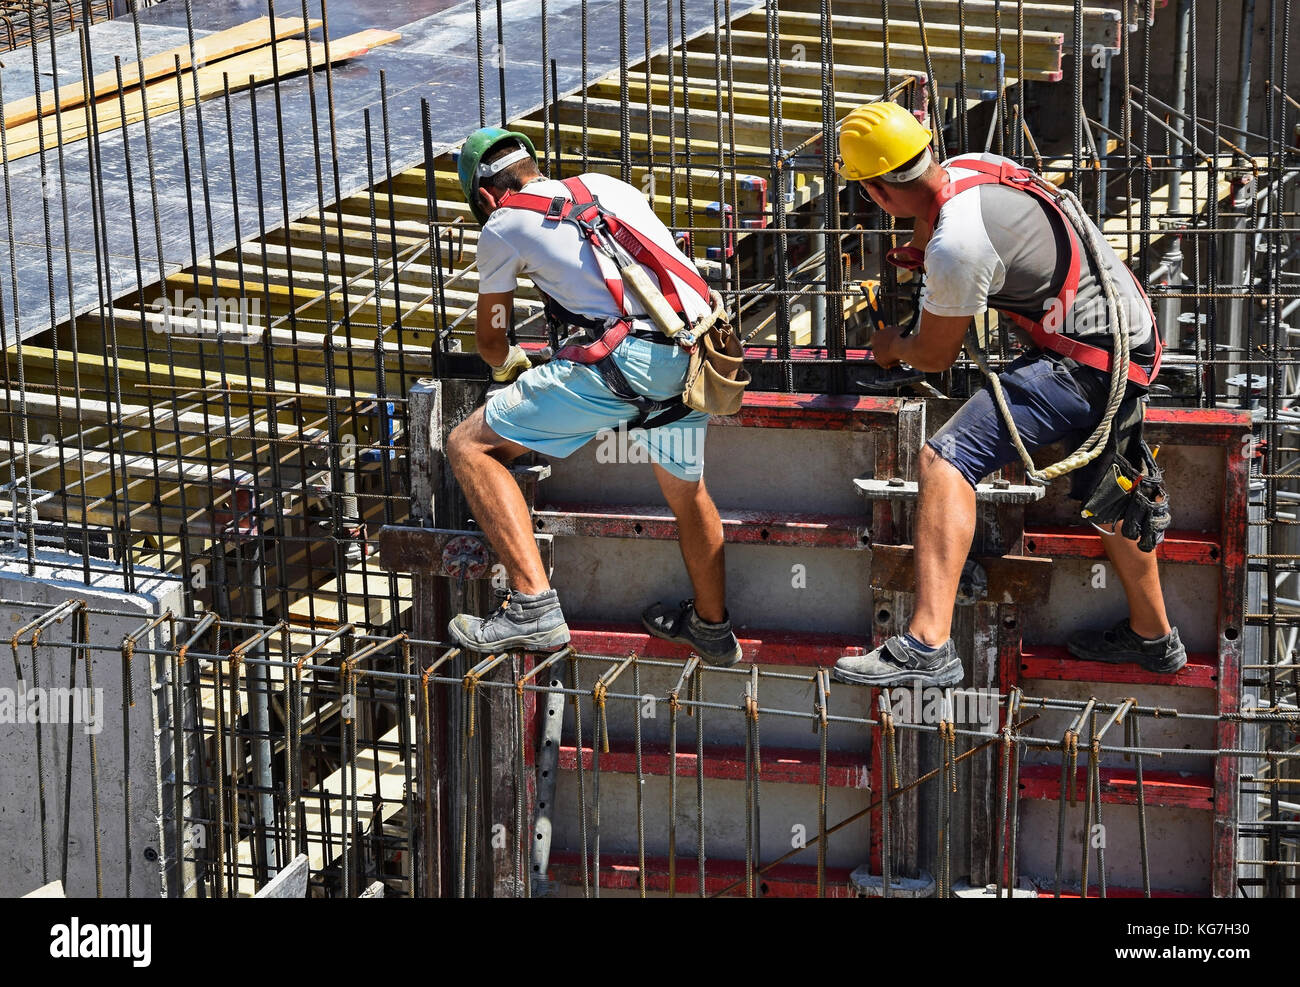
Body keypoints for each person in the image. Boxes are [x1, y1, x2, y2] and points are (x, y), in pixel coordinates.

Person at [830, 101, 1183, 688]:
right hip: (1126, 336)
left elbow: (936, 355)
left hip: (1086, 360)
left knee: (946, 460)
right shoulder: (974, 165)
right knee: (1113, 492)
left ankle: (927, 644)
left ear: (876, 193)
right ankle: (1156, 639)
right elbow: (939, 226)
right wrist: (924, 256)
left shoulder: (957, 249)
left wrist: (893, 345)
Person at [442, 126, 742, 666]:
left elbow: (491, 336)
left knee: (469, 446)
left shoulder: (503, 226)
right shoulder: (605, 184)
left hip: (628, 364)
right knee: (686, 492)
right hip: (694, 356)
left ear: (485, 198)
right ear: (533, 165)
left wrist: (506, 361)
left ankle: (532, 607)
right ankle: (712, 625)